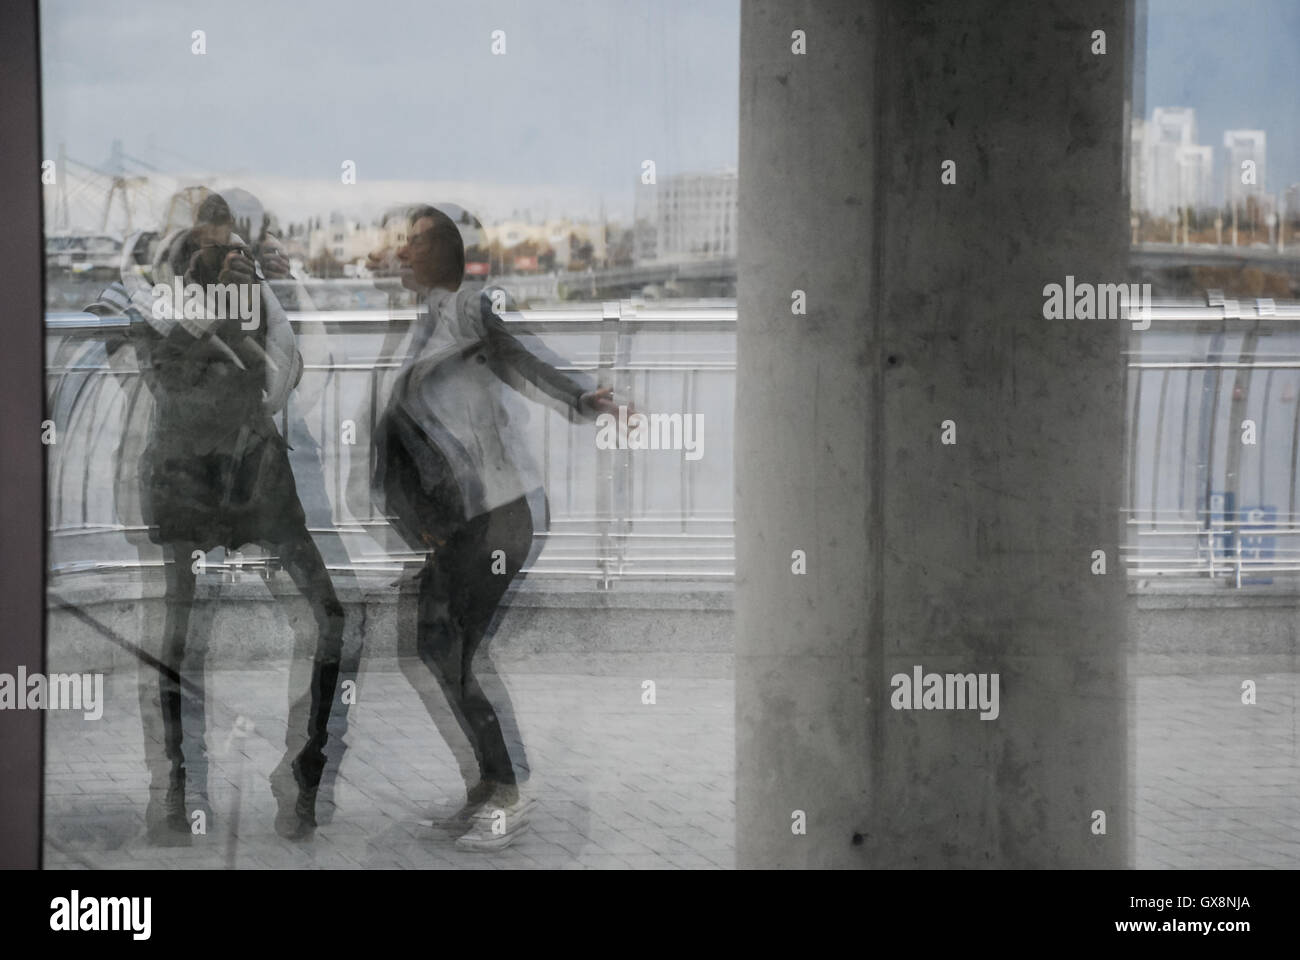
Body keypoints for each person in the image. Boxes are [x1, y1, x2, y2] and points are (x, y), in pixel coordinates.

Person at [87, 188, 345, 841]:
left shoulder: (251, 291)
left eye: (228, 241)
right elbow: (166, 380)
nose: (219, 251)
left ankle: (300, 767)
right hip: (194, 473)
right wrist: (226, 312)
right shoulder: (152, 297)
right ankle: (182, 784)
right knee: (183, 639)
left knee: (325, 617)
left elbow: (290, 372)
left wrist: (265, 293)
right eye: (207, 240)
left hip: (250, 469)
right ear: (183, 241)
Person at [370, 203, 624, 850]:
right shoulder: (423, 321)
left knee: (451, 647)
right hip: (465, 519)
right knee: (437, 646)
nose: (403, 251)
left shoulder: (472, 307)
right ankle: (489, 787)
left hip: (499, 511)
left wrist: (581, 394)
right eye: (403, 241)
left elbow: (523, 351)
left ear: (447, 253)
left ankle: (508, 791)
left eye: (416, 242)